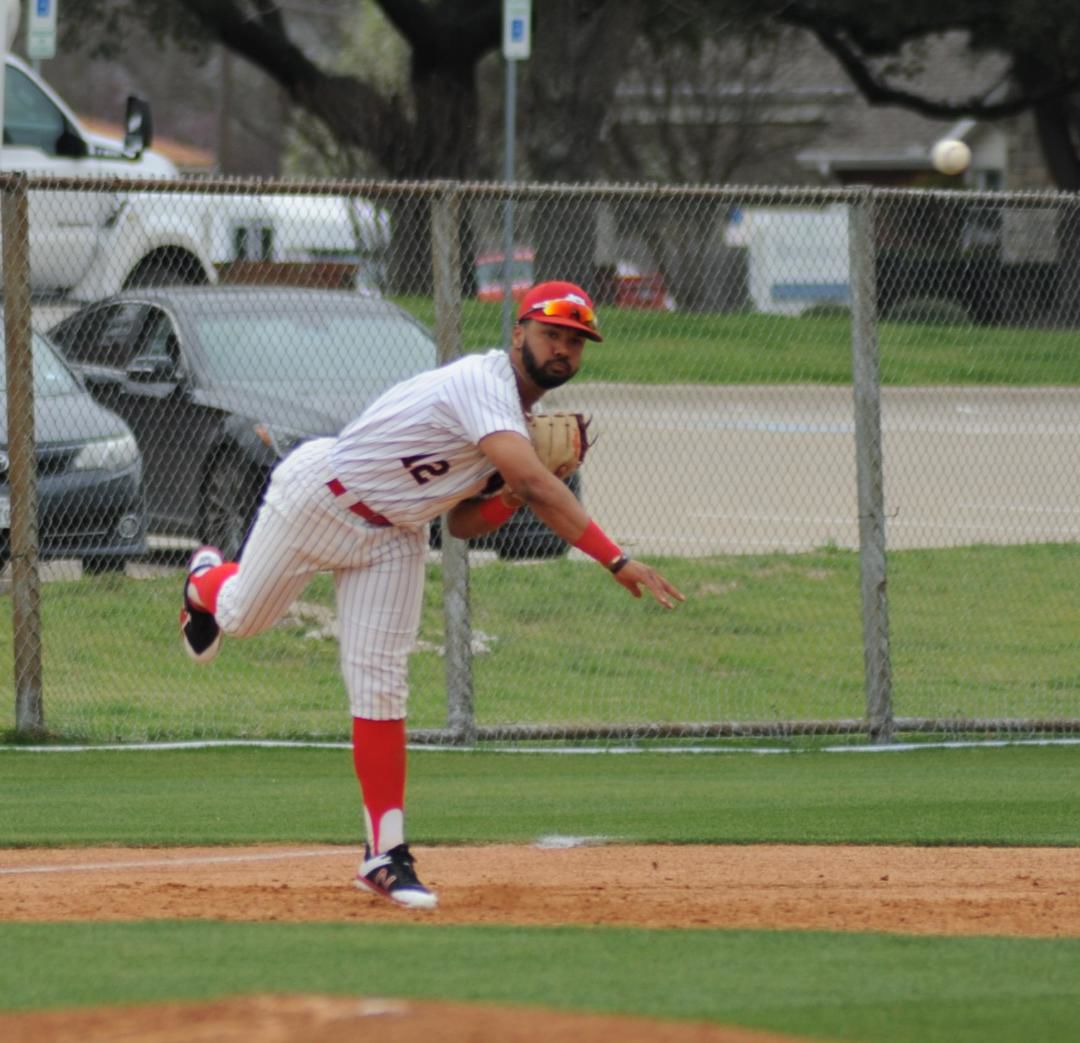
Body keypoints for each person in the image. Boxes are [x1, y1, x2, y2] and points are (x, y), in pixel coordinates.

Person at [178, 280, 684, 910]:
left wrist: (511, 496)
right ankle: (202, 578)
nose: (563, 350)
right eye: (552, 334)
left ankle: (384, 856)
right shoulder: (482, 384)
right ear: (518, 332)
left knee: (382, 683)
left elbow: (463, 524)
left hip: (395, 536)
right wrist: (616, 558)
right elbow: (531, 475)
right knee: (241, 618)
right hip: (321, 498)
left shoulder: (516, 428)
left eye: (576, 343)